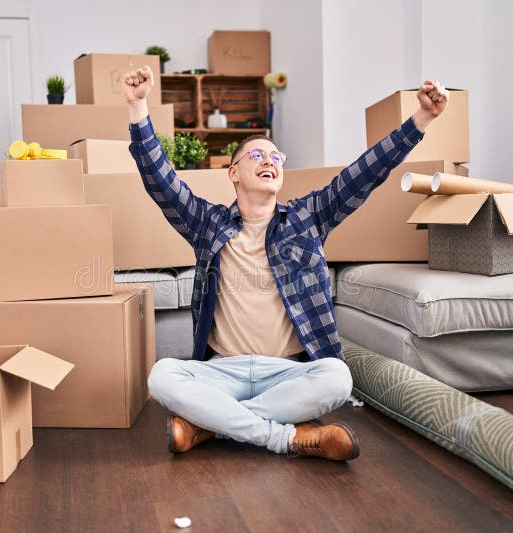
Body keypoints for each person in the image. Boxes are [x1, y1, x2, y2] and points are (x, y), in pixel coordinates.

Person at [123, 65, 448, 461]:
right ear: (234, 174)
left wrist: (423, 118)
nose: (270, 160)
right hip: (223, 371)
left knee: (337, 378)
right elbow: (161, 182)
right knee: (161, 377)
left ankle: (210, 426)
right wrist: (138, 106)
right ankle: (288, 439)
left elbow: (366, 173)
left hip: (287, 373)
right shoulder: (207, 224)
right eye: (257, 154)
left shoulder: (308, 218)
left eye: (276, 156)